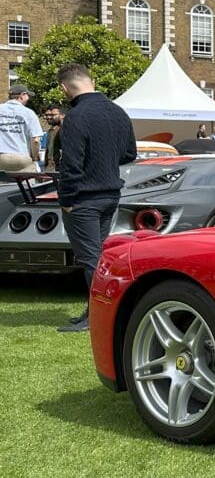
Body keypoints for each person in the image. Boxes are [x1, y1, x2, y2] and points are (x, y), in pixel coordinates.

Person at [54, 63, 136, 332]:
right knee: (98, 257)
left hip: (83, 198)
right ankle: (96, 312)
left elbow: (70, 165)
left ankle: (98, 317)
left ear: (65, 87)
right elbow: (129, 154)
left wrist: (66, 200)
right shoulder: (118, 112)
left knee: (91, 259)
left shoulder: (76, 116)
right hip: (110, 194)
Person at [0, 82, 42, 174]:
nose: (28, 99)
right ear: (22, 95)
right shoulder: (28, 113)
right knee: (28, 181)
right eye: (28, 95)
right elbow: (36, 140)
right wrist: (34, 159)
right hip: (20, 157)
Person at [41, 104, 65, 171]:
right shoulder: (52, 130)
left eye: (53, 115)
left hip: (60, 168)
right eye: (47, 115)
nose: (49, 117)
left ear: (62, 115)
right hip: (51, 168)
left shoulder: (65, 130)